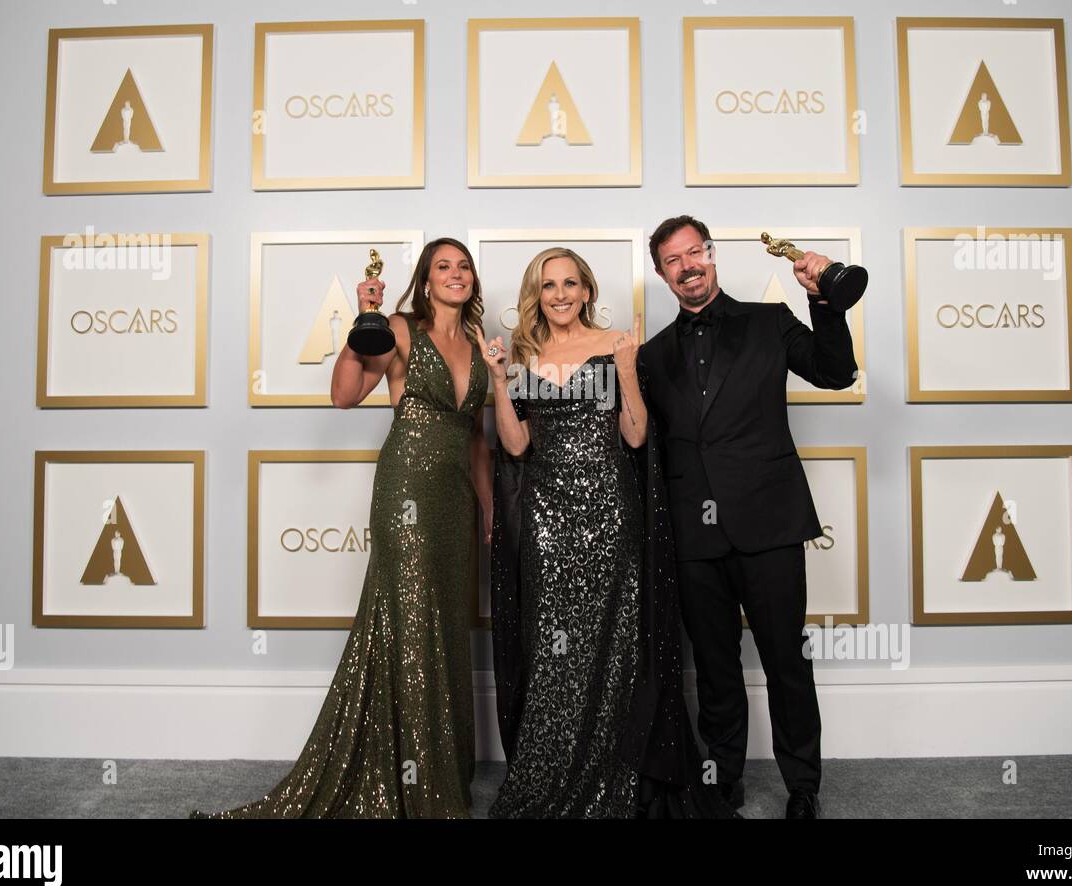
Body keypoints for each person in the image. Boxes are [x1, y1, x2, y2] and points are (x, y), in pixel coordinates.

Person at [190, 239, 490, 818]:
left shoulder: (478, 345)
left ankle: (438, 766)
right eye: (442, 267)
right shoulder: (400, 329)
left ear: (473, 280)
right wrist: (364, 323)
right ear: (426, 281)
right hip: (408, 491)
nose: (455, 275)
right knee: (410, 618)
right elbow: (343, 395)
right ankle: (413, 779)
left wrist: (488, 508)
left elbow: (476, 437)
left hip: (456, 501)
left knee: (447, 622)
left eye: (464, 267)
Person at [482, 246, 735, 818]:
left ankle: (610, 773)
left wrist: (625, 371)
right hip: (546, 520)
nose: (561, 295)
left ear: (588, 291)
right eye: (549, 286)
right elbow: (515, 445)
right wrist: (499, 380)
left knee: (615, 644)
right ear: (537, 295)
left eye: (571, 283)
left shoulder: (617, 344)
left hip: (611, 516)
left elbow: (639, 435)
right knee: (552, 649)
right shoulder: (522, 356)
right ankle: (551, 770)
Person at [638, 215, 860, 819]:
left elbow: (837, 373)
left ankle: (803, 788)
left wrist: (823, 299)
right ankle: (723, 776)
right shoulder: (651, 357)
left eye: (696, 253)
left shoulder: (770, 321)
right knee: (713, 666)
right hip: (693, 533)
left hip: (769, 521)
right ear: (662, 274)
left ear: (711, 256)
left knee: (786, 658)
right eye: (673, 261)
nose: (688, 266)